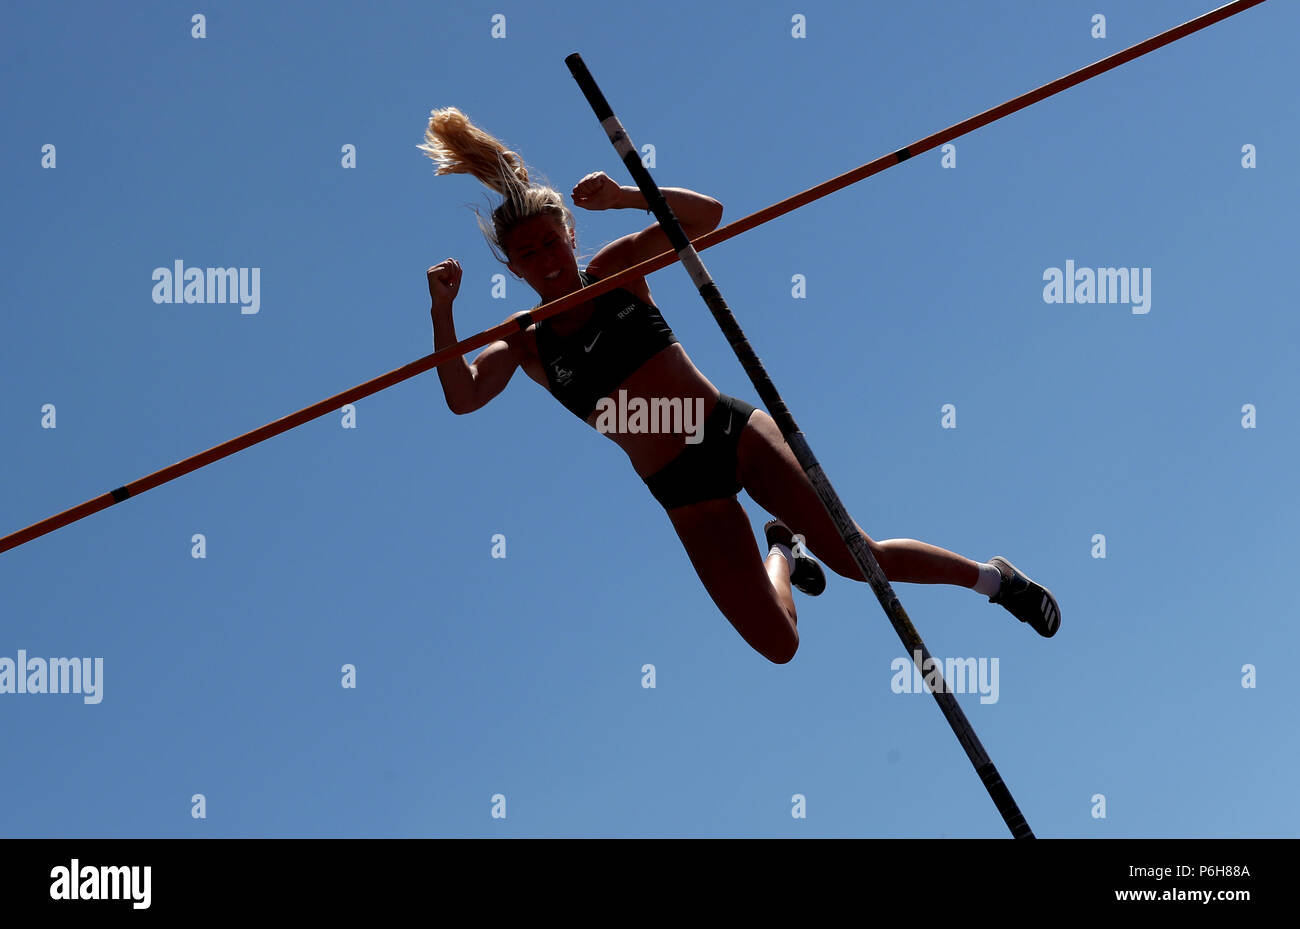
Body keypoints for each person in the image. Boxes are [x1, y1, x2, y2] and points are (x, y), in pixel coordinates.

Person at [418, 106, 1060, 664]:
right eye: (528, 255)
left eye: (551, 244)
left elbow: (709, 217)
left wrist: (624, 196)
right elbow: (464, 396)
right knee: (779, 645)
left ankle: (993, 581)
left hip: (730, 435)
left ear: (570, 236)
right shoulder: (524, 335)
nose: (546, 261)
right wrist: (443, 315)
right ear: (509, 265)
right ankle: (779, 546)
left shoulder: (614, 271)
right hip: (678, 487)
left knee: (860, 559)